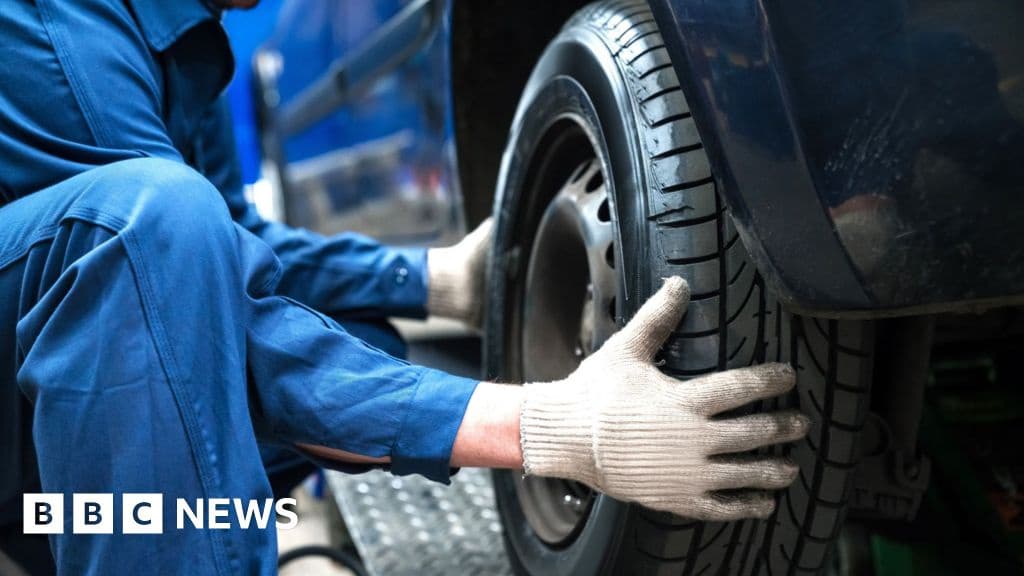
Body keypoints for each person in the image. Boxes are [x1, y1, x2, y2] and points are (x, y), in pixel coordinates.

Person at [0, 0, 808, 573]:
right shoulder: (53, 25)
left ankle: (250, 529)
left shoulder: (187, 41)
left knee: (365, 339)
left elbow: (229, 248)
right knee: (161, 226)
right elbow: (161, 282)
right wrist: (542, 425)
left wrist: (431, 280)